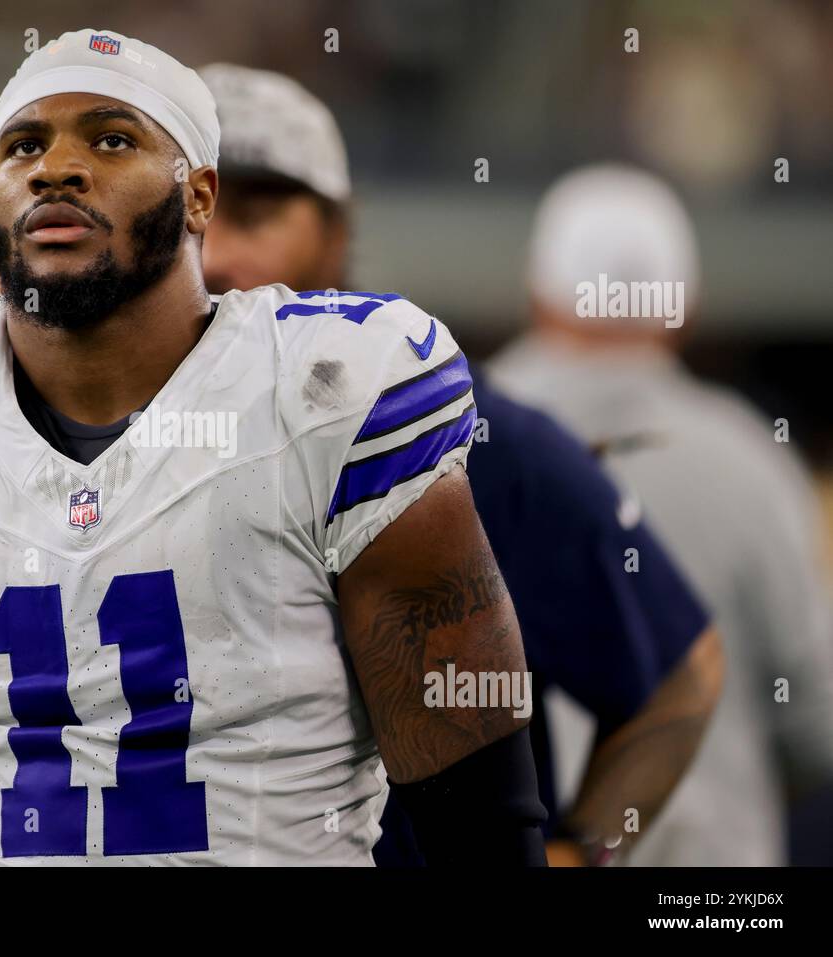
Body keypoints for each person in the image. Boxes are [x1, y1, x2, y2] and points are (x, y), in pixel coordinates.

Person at [0, 28, 547, 867]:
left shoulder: (329, 391)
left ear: (198, 197)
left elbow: (476, 815)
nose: (56, 167)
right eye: (24, 145)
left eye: (112, 139)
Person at [198, 63, 722, 866]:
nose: (215, 254)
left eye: (257, 212)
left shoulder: (464, 435)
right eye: (188, 218)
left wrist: (577, 852)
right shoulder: (67, 443)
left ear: (338, 231)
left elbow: (684, 670)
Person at [489, 163, 833, 865]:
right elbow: (814, 727)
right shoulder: (754, 456)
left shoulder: (451, 434)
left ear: (535, 291)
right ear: (688, 305)